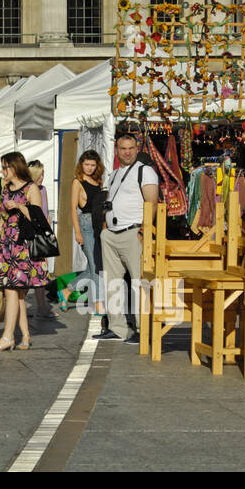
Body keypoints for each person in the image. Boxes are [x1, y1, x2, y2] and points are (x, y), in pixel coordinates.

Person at [0, 152, 54, 351]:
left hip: (22, 244)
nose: (1, 171)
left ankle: (8, 337)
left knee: (13, 289)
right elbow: (3, 216)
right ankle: (23, 335)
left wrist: (18, 205)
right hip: (7, 243)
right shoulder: (6, 189)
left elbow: (38, 216)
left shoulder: (31, 188)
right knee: (16, 292)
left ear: (14, 168)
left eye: (4, 167)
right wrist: (0, 232)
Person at [96, 133, 159, 342]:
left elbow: (152, 201)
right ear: (117, 150)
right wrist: (105, 227)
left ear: (136, 148)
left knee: (139, 282)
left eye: (131, 148)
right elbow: (109, 201)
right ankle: (117, 327)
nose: (127, 152)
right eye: (123, 148)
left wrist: (145, 230)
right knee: (112, 283)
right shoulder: (113, 174)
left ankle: (144, 330)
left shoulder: (145, 171)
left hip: (134, 232)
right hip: (112, 234)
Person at [68, 150, 107, 318]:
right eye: (86, 164)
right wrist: (77, 232)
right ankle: (99, 304)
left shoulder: (98, 181)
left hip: (99, 224)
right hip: (85, 223)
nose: (89, 168)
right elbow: (72, 209)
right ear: (81, 164)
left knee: (95, 266)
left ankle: (67, 290)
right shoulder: (77, 182)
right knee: (96, 266)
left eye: (93, 165)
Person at [27, 160, 57, 320]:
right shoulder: (26, 190)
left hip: (41, 236)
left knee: (41, 271)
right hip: (28, 236)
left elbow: (45, 214)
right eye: (40, 174)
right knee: (24, 272)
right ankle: (17, 305)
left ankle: (42, 307)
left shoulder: (43, 190)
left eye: (44, 173)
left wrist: (47, 235)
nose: (42, 177)